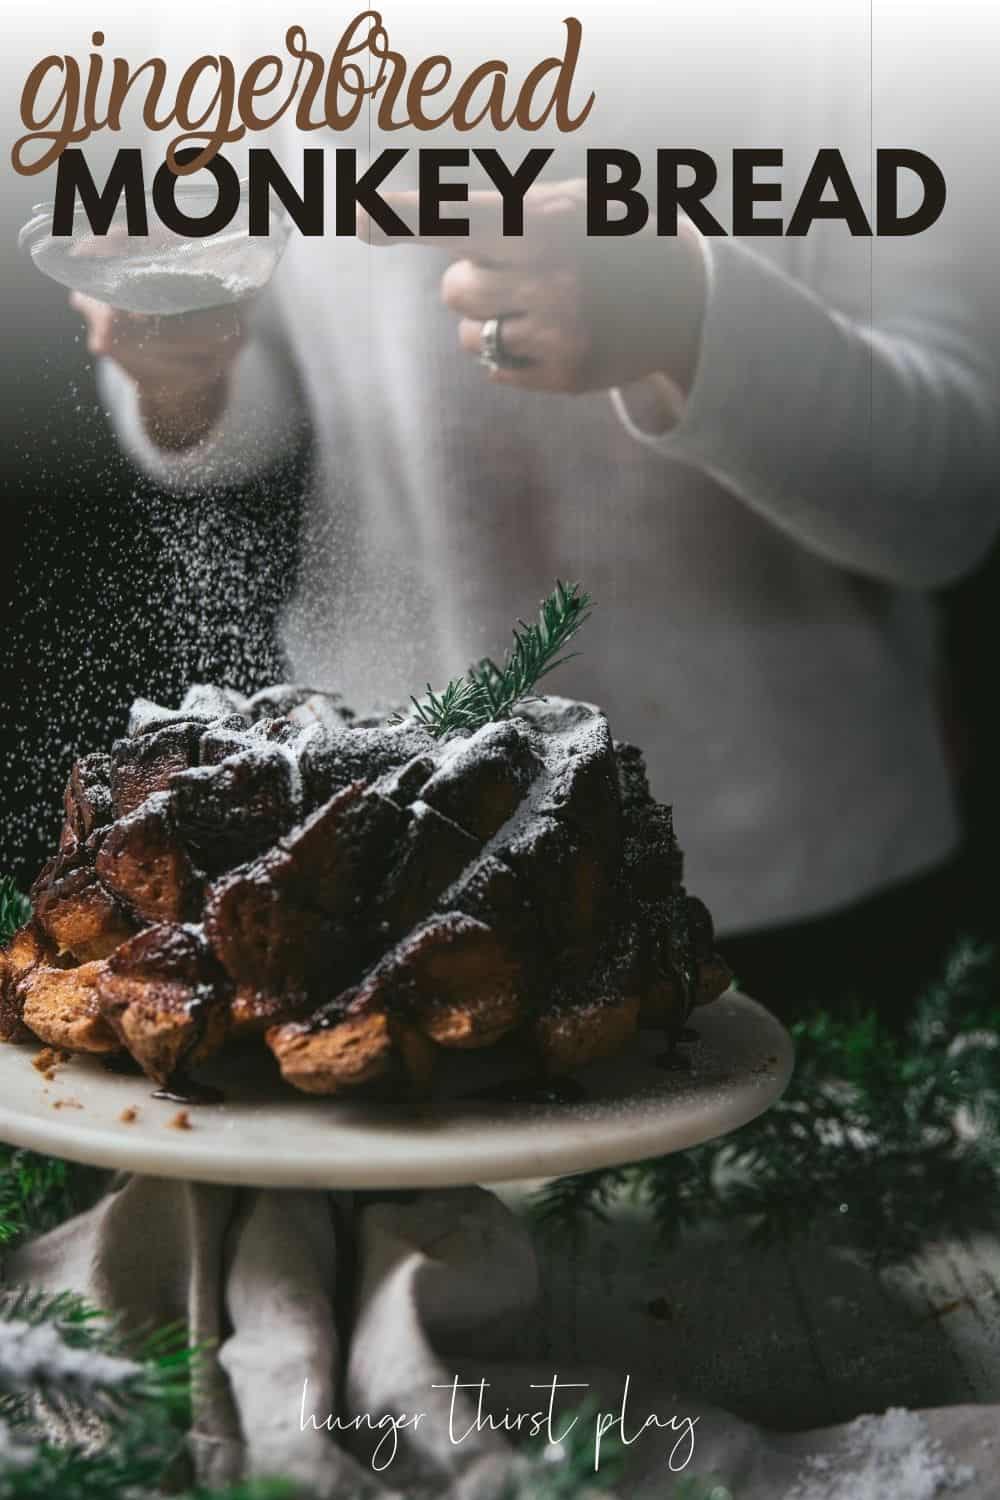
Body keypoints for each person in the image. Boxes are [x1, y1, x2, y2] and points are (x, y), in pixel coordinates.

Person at [73, 2, 1000, 1018]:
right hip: (374, 845)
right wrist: (176, 367)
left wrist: (684, 315)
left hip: (784, 864)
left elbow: (955, 494)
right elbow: (229, 408)